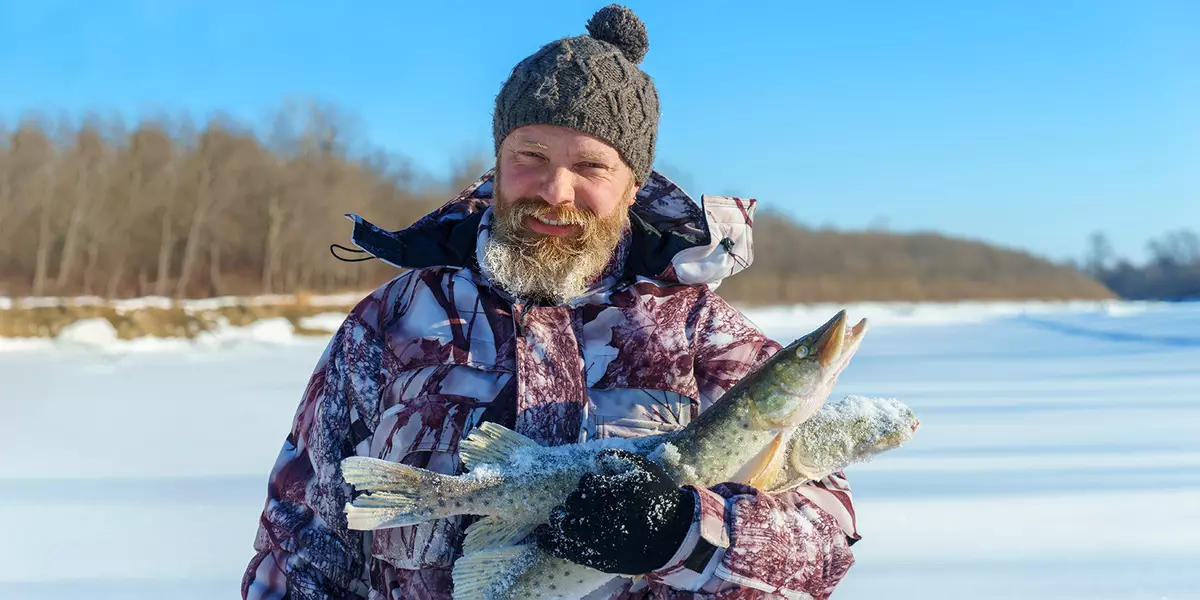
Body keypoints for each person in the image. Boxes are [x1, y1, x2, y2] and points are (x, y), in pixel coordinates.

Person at [241, 5, 859, 599]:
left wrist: (687, 536)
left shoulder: (704, 335)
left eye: (591, 166)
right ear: (498, 164)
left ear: (633, 186)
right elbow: (300, 534)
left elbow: (824, 542)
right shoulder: (394, 320)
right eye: (530, 156)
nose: (555, 191)